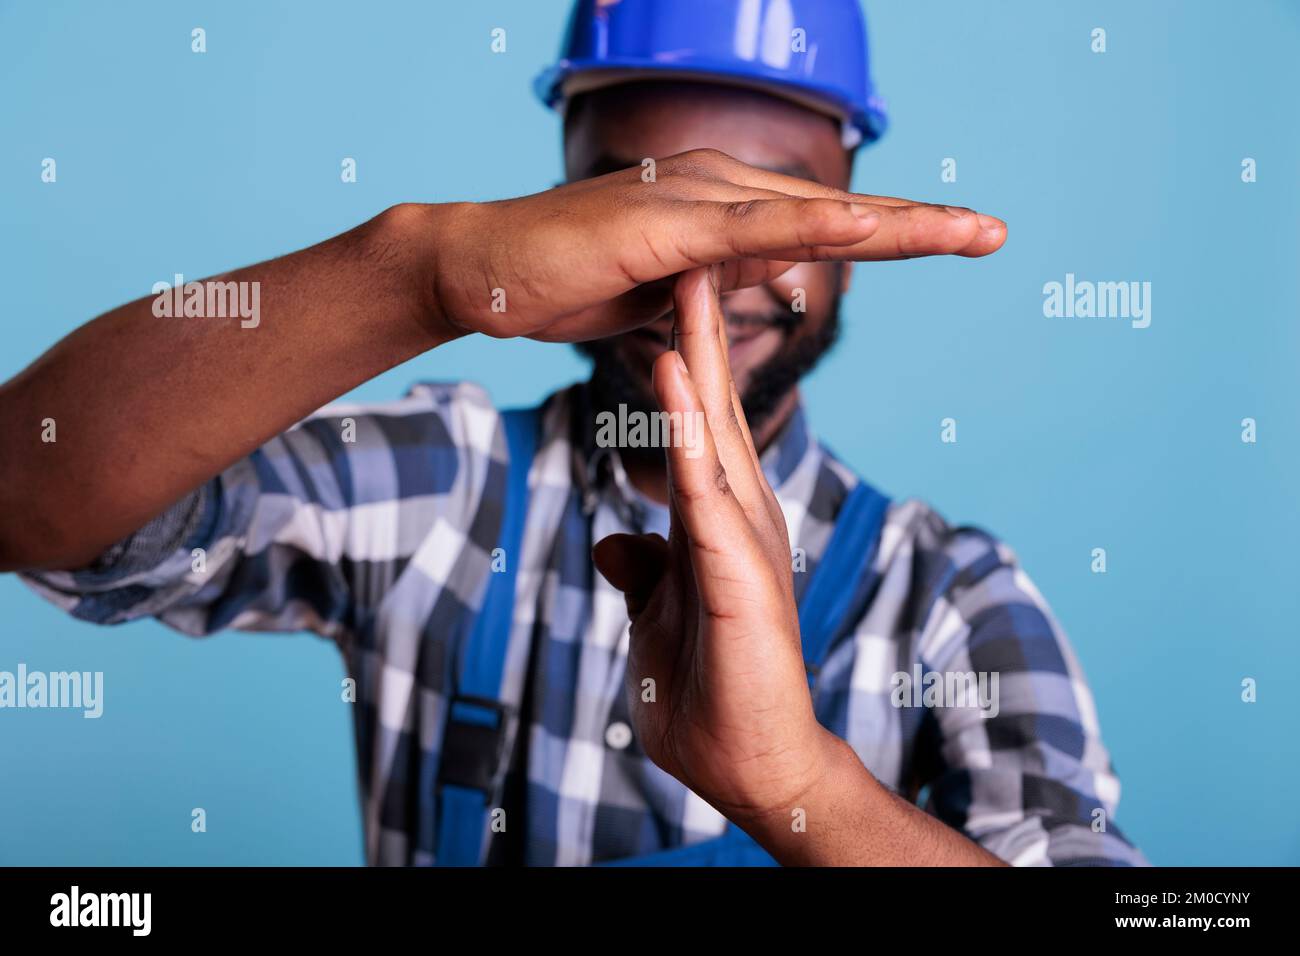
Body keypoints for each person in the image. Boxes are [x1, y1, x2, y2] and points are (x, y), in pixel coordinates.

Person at [0, 0, 1144, 866]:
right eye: (651, 203)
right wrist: (422, 274)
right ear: (564, 203)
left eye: (773, 207)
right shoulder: (442, 490)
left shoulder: (949, 599)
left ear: (849, 211)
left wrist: (804, 785)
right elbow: (28, 497)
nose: (709, 270)